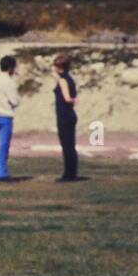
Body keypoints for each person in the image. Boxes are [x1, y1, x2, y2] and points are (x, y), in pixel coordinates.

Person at [0, 54, 21, 183]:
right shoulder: (9, 82)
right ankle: (1, 172)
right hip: (5, 115)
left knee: (1, 144)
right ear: (10, 68)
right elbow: (15, 100)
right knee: (4, 145)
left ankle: (1, 170)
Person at [52, 54, 80, 182]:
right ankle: (71, 172)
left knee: (67, 146)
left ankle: (69, 174)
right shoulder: (70, 79)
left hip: (64, 115)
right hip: (69, 115)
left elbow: (67, 98)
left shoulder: (63, 81)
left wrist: (72, 100)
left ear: (59, 67)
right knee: (70, 145)